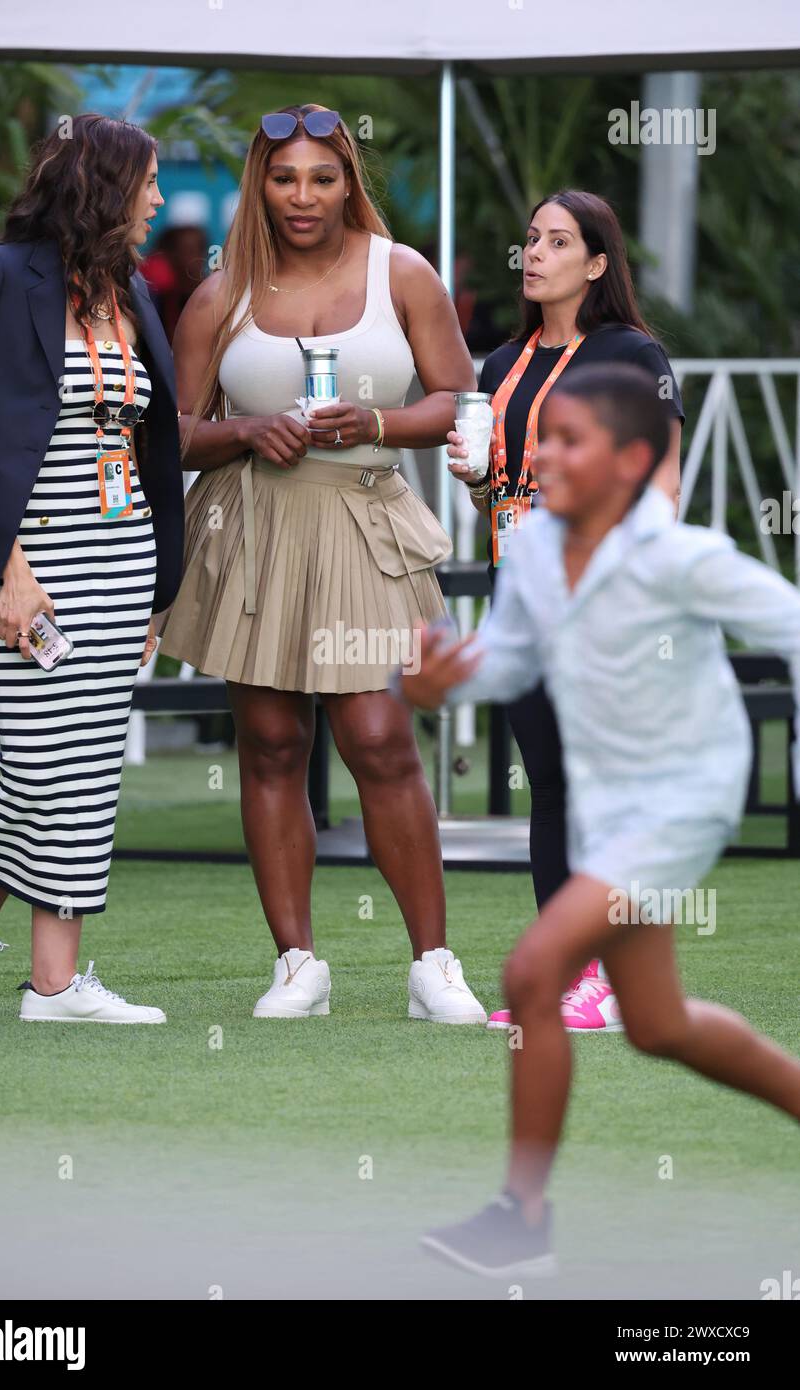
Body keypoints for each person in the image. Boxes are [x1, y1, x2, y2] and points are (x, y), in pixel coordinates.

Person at [395, 363, 800, 1276]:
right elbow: (509, 663)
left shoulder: (681, 557)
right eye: (543, 438)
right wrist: (440, 681)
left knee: (534, 971)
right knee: (659, 1026)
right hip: (607, 805)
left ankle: (521, 1220)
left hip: (684, 800)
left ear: (631, 460)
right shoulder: (533, 545)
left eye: (567, 439)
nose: (541, 452)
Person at [157, 104, 486, 1022]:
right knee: (269, 746)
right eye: (283, 177)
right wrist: (244, 430)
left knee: (379, 739)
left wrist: (374, 421)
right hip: (255, 530)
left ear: (350, 182)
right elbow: (173, 435)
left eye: (322, 178)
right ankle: (297, 963)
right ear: (259, 185)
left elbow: (459, 399)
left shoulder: (402, 273)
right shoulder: (220, 294)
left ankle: (434, 965)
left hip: (366, 527)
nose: (303, 196)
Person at [0, 115, 184, 1023]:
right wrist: (5, 567)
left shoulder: (132, 293)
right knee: (53, 764)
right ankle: (52, 985)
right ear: (106, 186)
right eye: (148, 182)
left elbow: (151, 446)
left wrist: (160, 584)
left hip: (121, 560)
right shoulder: (0, 276)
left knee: (66, 763)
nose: (159, 199)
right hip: (29, 566)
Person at [447, 190, 684, 1032]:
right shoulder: (500, 365)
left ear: (596, 263)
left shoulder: (631, 353)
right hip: (522, 596)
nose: (535, 254)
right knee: (549, 784)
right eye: (530, 240)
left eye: (558, 241)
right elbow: (505, 507)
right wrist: (477, 482)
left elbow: (662, 484)